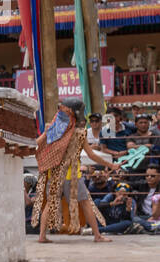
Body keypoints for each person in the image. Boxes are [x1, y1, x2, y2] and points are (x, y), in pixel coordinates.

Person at [32, 98, 120, 243]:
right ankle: (97, 236)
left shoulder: (53, 128)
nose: (61, 111)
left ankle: (42, 236)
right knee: (85, 202)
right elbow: (91, 155)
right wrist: (111, 166)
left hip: (53, 173)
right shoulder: (80, 133)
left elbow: (37, 144)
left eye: (64, 109)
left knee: (50, 203)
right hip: (71, 175)